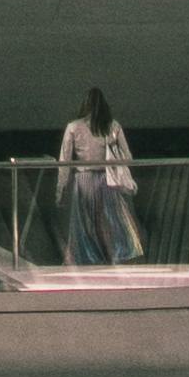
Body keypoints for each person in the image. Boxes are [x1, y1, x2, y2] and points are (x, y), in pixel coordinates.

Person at [57, 84, 141, 268]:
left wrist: (60, 189)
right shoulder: (112, 126)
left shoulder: (73, 127)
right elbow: (128, 158)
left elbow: (64, 162)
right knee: (110, 220)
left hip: (84, 179)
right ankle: (113, 258)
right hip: (107, 178)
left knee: (85, 222)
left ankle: (86, 260)